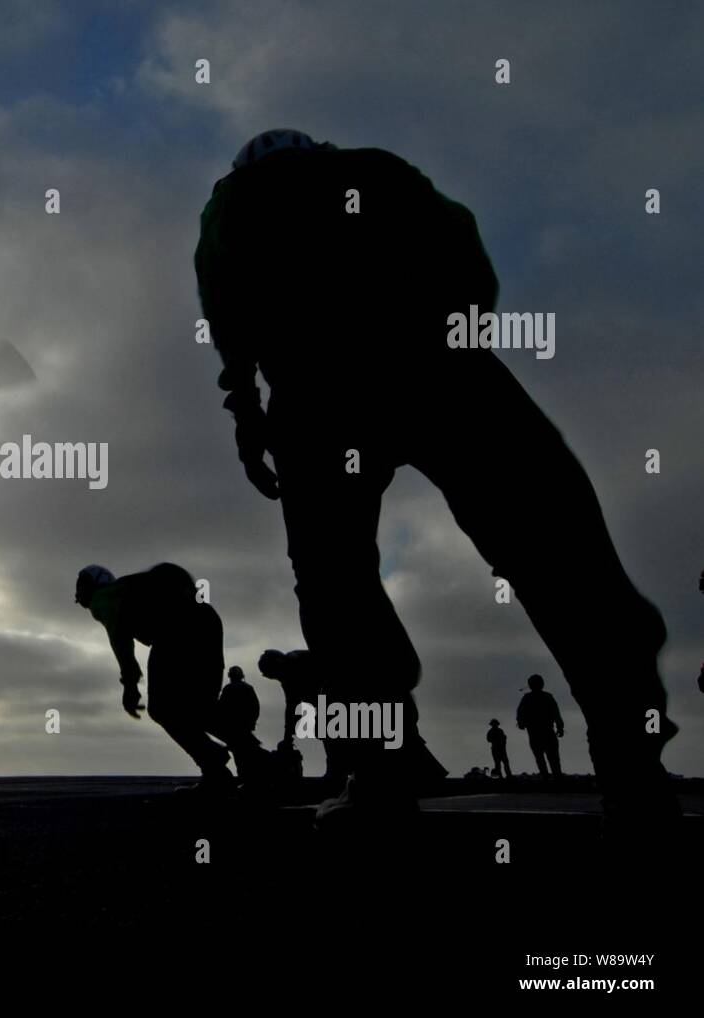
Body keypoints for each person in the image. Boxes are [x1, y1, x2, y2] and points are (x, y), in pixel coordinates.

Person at [194, 128, 678, 830]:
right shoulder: (375, 168)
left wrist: (244, 407)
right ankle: (635, 766)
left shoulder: (233, 201)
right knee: (560, 552)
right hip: (440, 369)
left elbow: (224, 307)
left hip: (316, 396)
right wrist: (460, 346)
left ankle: (379, 776)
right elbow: (462, 245)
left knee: (337, 588)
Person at [74, 563, 235, 792]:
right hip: (206, 621)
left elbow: (120, 641)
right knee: (201, 708)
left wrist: (130, 686)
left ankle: (214, 766)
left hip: (174, 632)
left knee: (162, 709)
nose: (76, 594)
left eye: (80, 586)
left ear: (90, 586)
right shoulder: (132, 586)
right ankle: (256, 759)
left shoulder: (104, 599)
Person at [517, 674, 564, 778]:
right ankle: (557, 778)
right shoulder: (548, 697)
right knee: (553, 758)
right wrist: (560, 727)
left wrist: (521, 723)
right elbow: (556, 714)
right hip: (547, 732)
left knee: (540, 758)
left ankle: (546, 778)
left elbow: (520, 713)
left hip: (534, 733)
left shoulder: (527, 698)